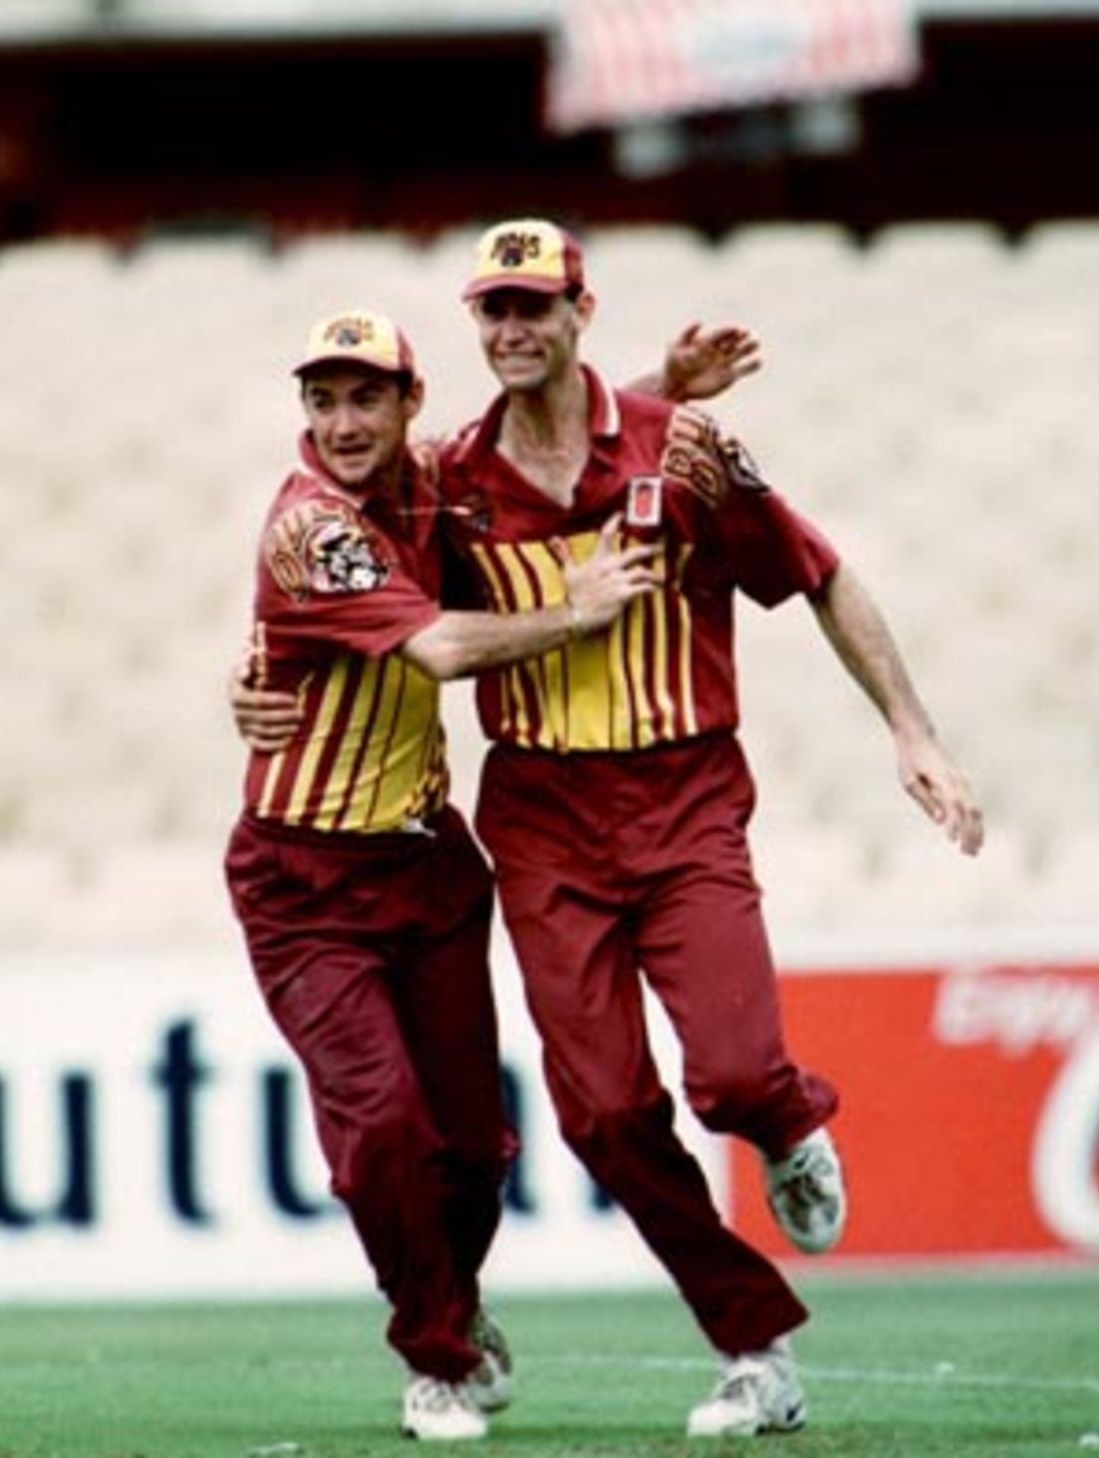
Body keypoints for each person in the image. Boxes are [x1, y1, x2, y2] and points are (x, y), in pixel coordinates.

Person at [232, 225, 983, 1438]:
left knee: (733, 1076)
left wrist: (913, 732)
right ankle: (755, 1349)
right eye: (495, 312)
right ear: (474, 334)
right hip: (537, 819)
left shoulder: (681, 449)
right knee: (601, 1118)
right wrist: (255, 674)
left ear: (582, 310)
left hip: (684, 800)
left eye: (535, 307)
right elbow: (377, 584)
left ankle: (785, 1119)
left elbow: (820, 569)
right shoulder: (446, 478)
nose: (514, 330)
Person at [223, 307, 661, 1442]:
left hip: (426, 866)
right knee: (383, 1127)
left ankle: (452, 1303)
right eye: (322, 398)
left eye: (365, 396)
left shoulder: (429, 482)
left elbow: (530, 443)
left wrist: (666, 381)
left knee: (476, 1147)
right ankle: (433, 1355)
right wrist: (577, 616)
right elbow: (439, 648)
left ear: (408, 404)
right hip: (305, 881)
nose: (341, 420)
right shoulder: (310, 528)